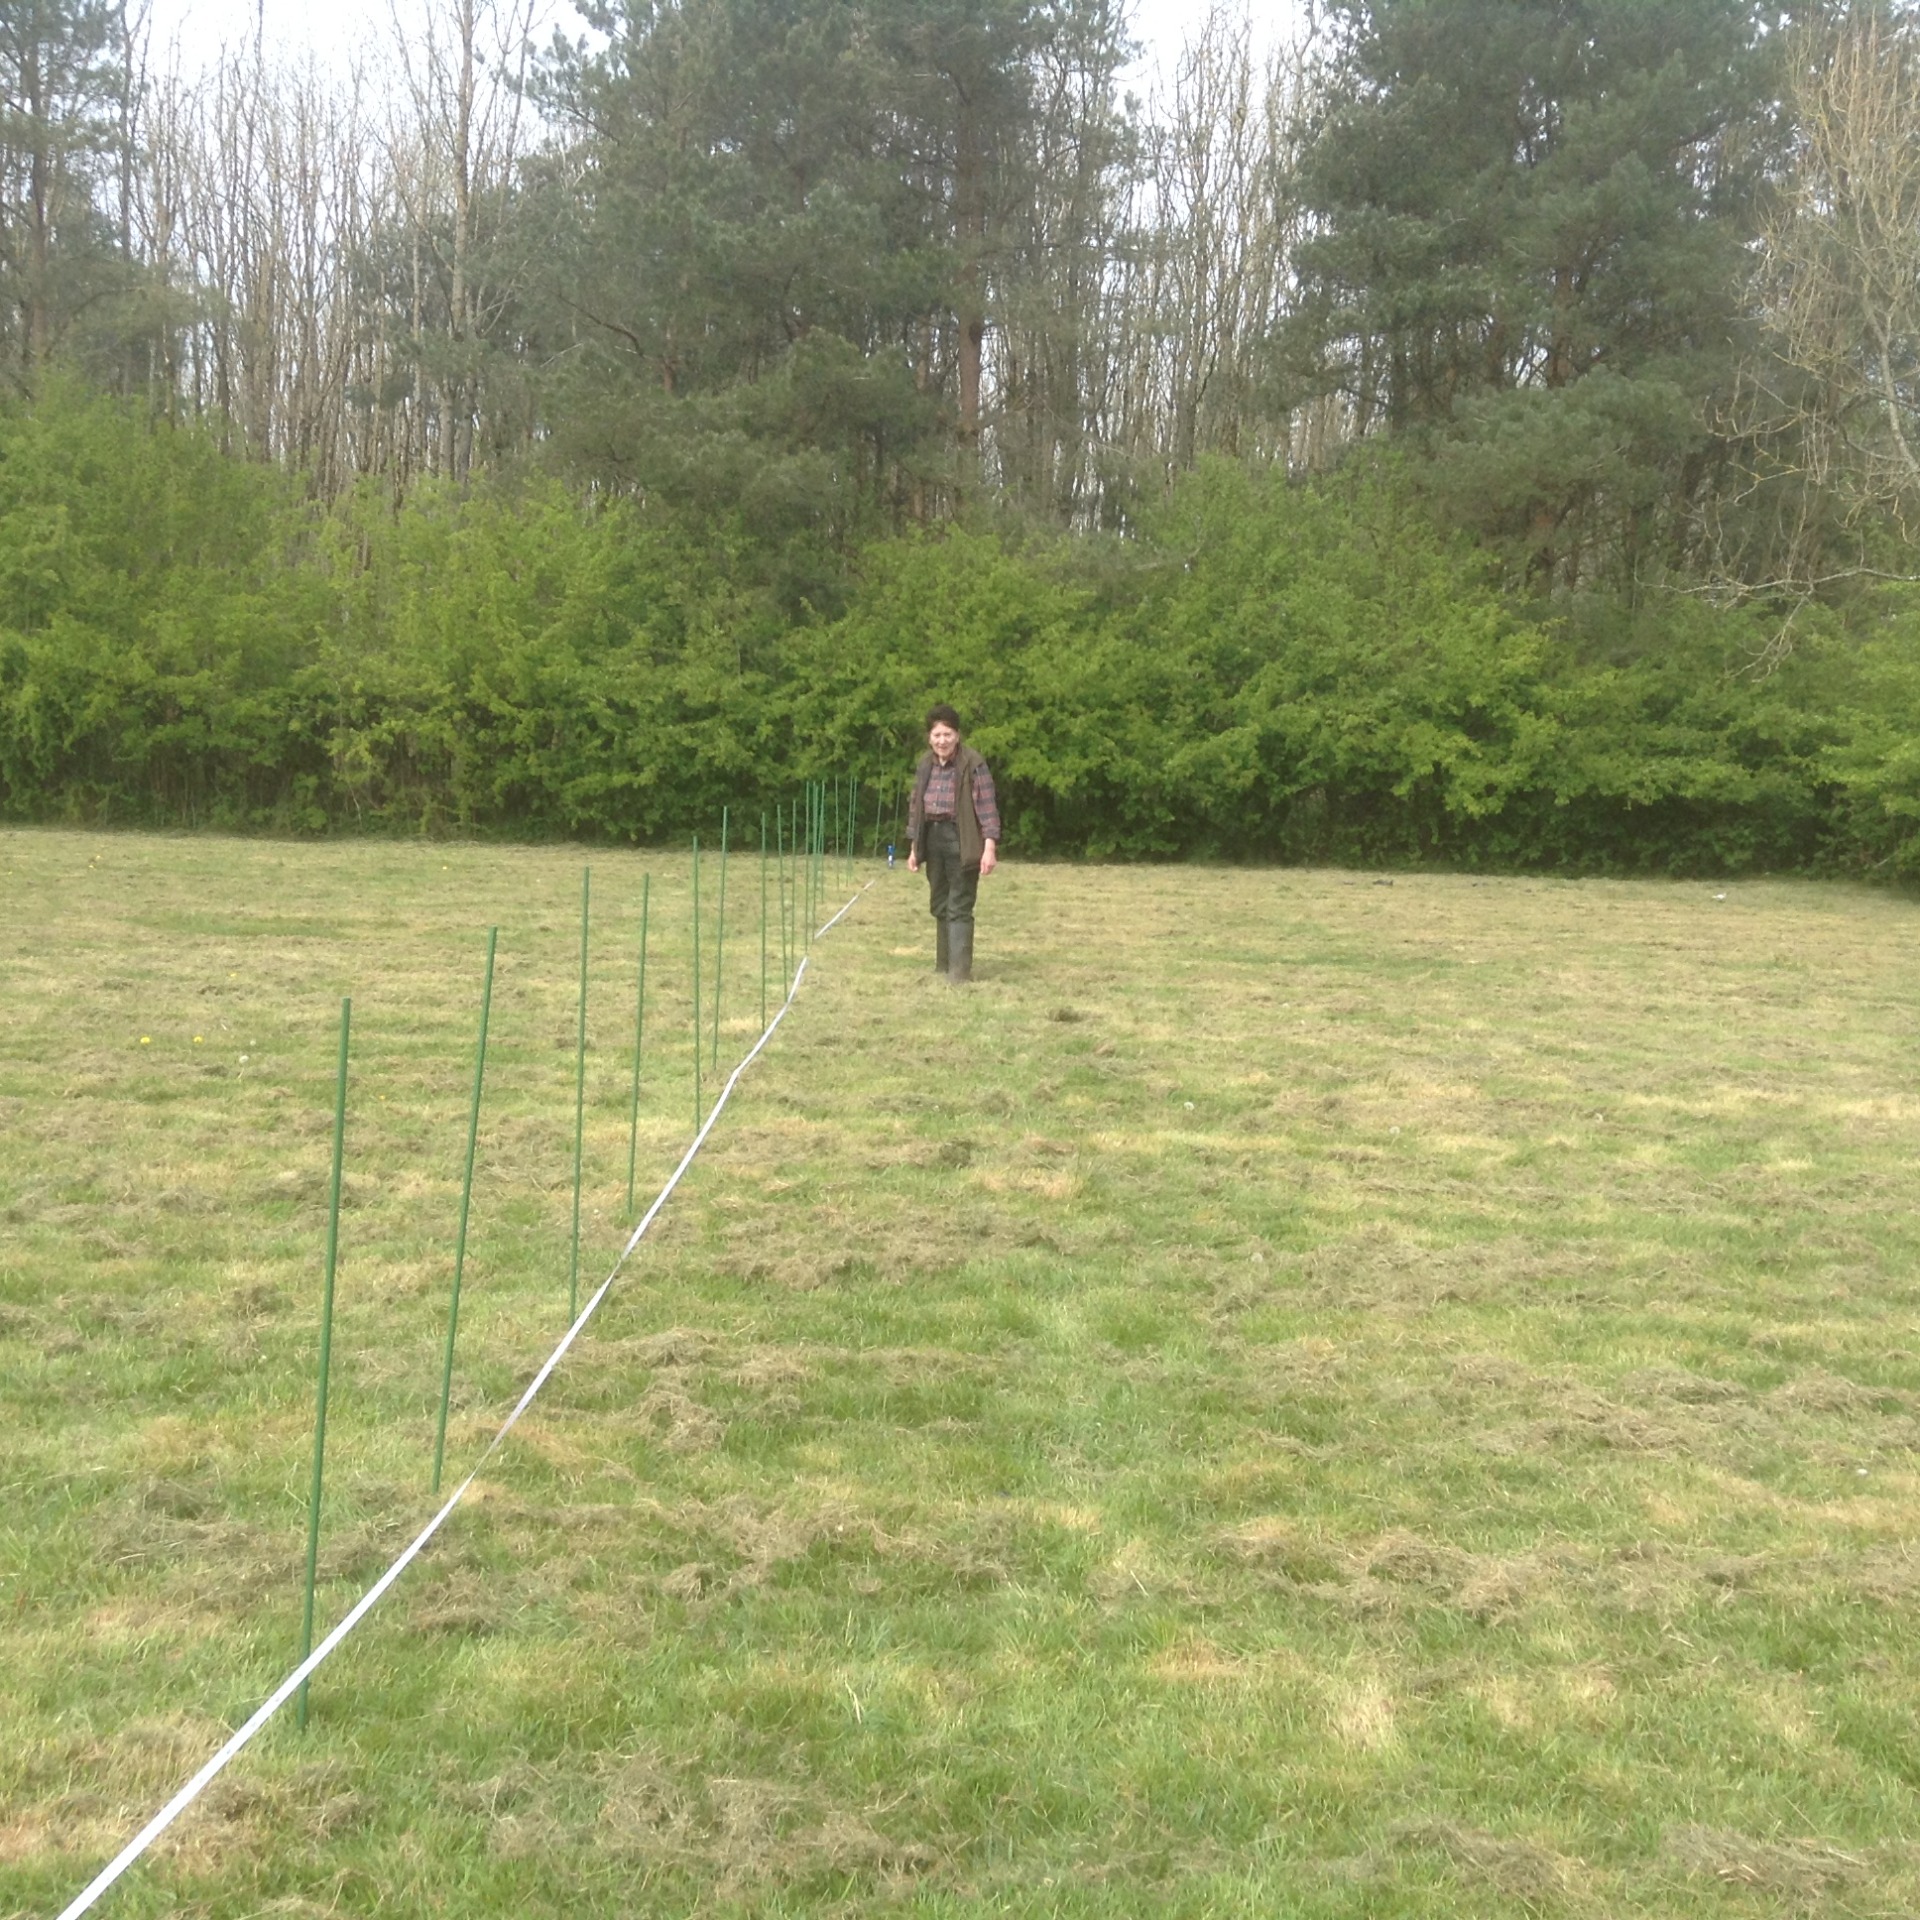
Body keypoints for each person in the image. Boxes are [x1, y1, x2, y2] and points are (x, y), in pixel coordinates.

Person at [906, 704, 1000, 984]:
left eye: (947, 734)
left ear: (957, 735)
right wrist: (914, 847)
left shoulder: (973, 763)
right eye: (937, 735)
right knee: (939, 902)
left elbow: (987, 806)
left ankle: (959, 973)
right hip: (932, 838)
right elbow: (916, 806)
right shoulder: (925, 764)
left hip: (962, 839)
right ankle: (943, 967)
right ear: (929, 737)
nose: (942, 740)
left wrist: (989, 847)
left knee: (959, 903)